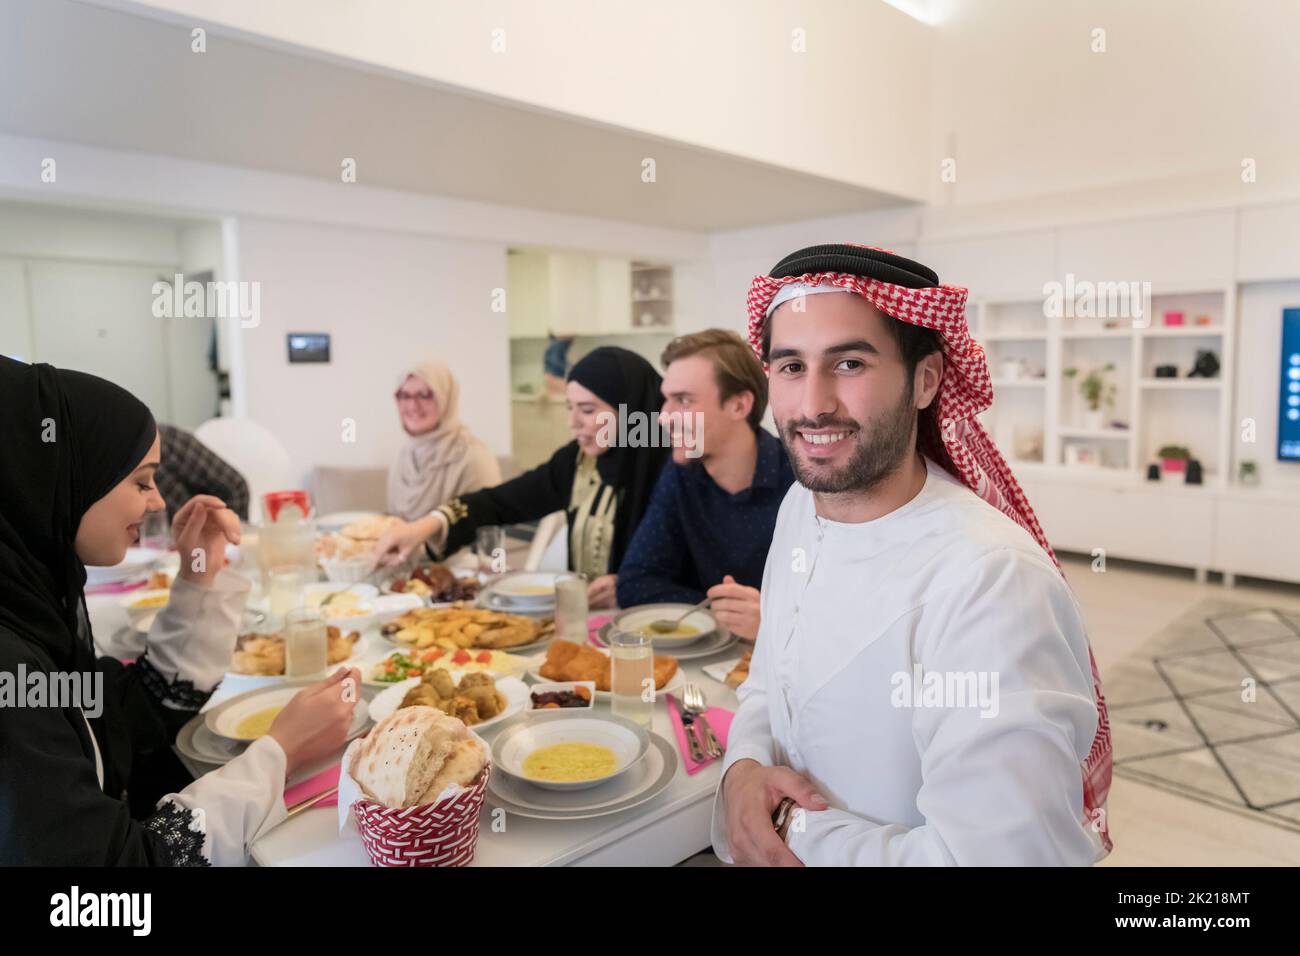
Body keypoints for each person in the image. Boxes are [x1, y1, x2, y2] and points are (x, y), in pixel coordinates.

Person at [712, 244, 1112, 866]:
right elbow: (768, 685)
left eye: (848, 363)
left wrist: (786, 823)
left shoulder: (990, 581)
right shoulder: (800, 506)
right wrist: (742, 770)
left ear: (925, 381)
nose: (814, 403)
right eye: (791, 367)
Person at [0, 356, 359, 865]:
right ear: (63, 480)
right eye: (142, 482)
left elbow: (129, 715)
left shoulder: (30, 607)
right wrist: (281, 751)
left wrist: (198, 579)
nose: (156, 504)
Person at [375, 346, 670, 609]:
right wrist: (425, 526)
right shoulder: (580, 460)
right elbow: (500, 502)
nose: (573, 423)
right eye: (570, 408)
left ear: (630, 409)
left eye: (588, 410)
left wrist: (635, 587)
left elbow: (695, 572)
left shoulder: (674, 469)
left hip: (660, 635)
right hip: (586, 624)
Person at [615, 330, 794, 640]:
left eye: (683, 401)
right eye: (666, 400)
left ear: (739, 405)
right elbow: (635, 582)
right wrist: (718, 611)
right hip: (711, 664)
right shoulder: (680, 475)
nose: (663, 418)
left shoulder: (802, 481)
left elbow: (843, 605)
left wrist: (775, 619)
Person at [388, 362, 502, 522]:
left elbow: (487, 529)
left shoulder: (474, 457)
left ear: (446, 399)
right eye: (405, 395)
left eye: (425, 395)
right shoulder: (404, 455)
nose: (413, 405)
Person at [156, 423, 250, 521]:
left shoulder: (164, 441)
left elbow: (235, 487)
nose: (157, 504)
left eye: (143, 486)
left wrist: (227, 530)